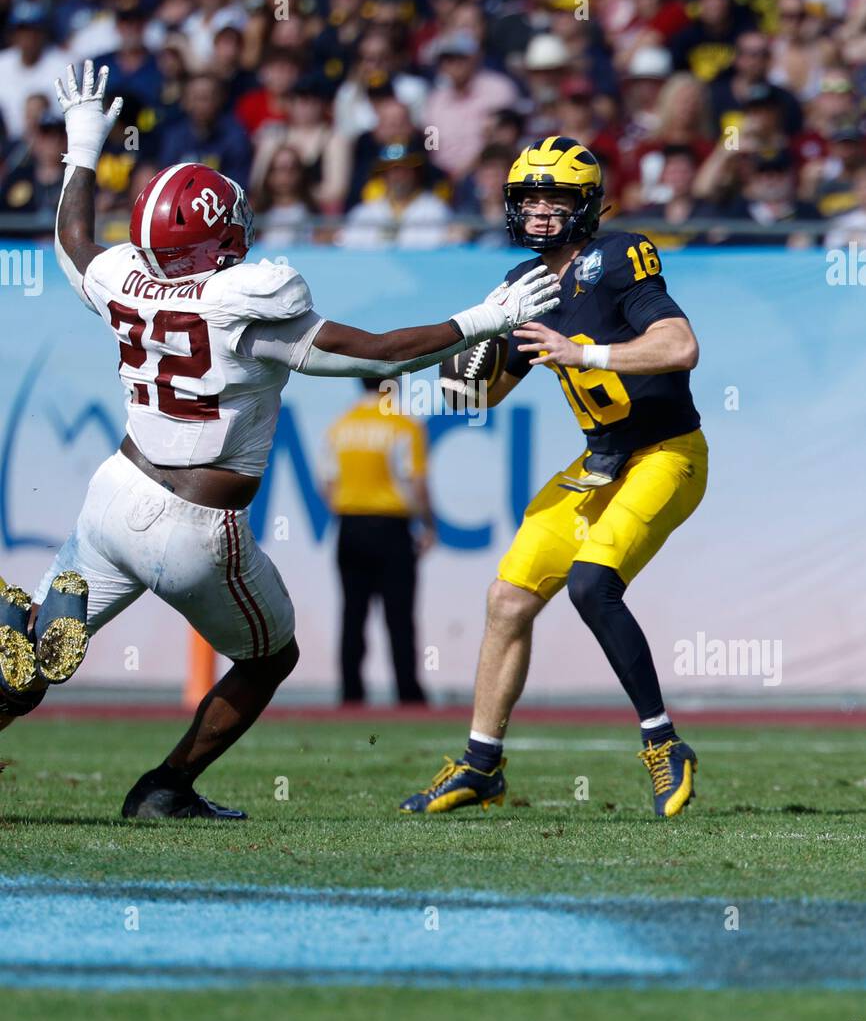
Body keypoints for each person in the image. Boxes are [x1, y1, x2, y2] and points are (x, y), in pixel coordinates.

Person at [0, 60, 560, 820]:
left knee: (29, 660)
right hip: (192, 522)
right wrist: (483, 318)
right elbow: (382, 353)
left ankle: (22, 648)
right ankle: (163, 790)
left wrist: (83, 140)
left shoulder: (122, 279)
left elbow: (71, 238)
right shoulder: (242, 302)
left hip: (114, 493)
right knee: (271, 655)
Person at [401, 135, 708, 820]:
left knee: (592, 584)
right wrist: (469, 358)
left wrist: (585, 350)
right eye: (529, 197)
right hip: (598, 461)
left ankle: (664, 743)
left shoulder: (619, 253)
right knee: (507, 599)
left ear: (587, 205)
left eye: (557, 197)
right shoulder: (521, 284)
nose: (541, 211)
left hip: (666, 452)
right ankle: (481, 767)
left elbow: (681, 346)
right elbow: (480, 397)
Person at [321, 378, 435, 704]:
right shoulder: (403, 426)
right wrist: (428, 524)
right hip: (392, 527)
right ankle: (408, 695)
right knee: (399, 617)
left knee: (352, 614)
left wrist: (348, 509)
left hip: (350, 526)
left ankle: (351, 694)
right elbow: (417, 481)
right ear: (393, 386)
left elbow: (327, 481)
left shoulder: (341, 426)